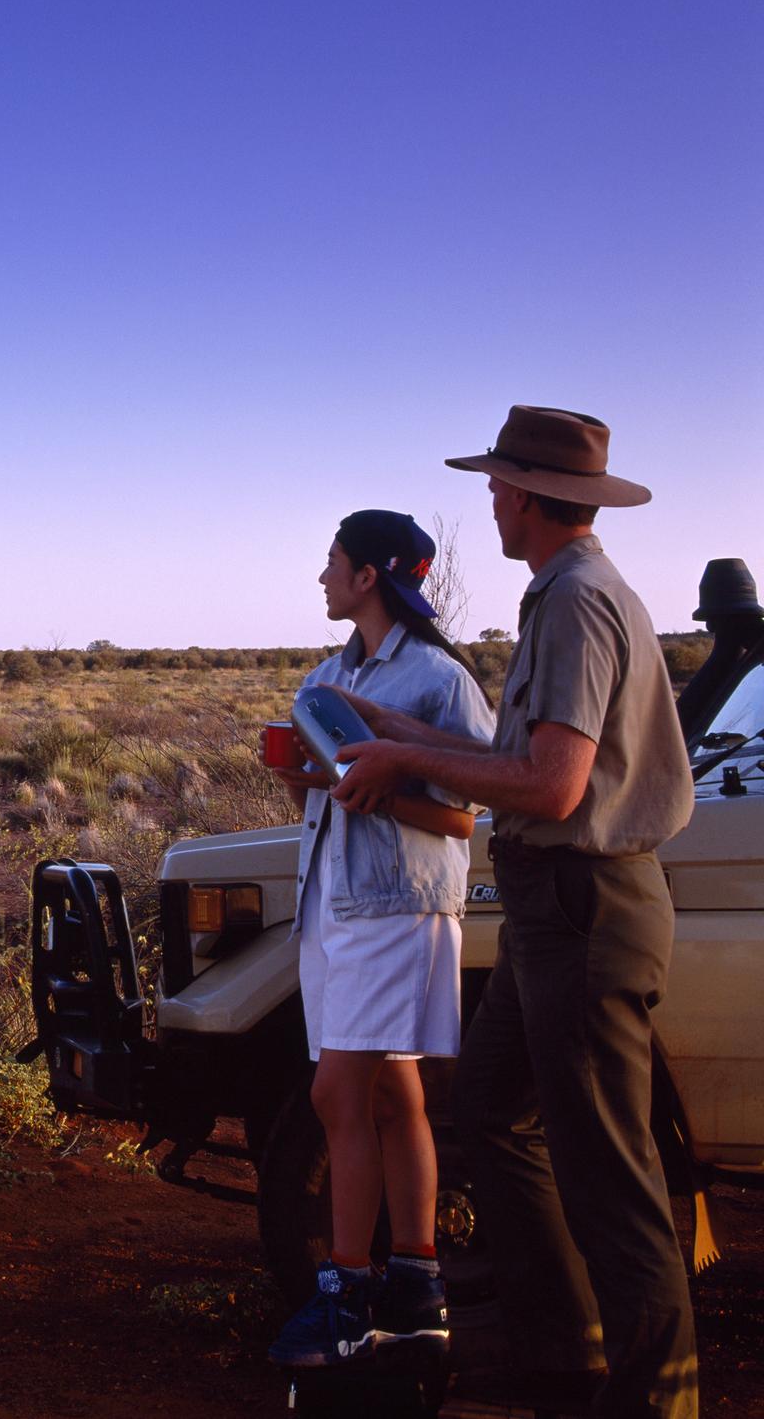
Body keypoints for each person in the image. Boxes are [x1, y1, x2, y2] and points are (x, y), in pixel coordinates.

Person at [331, 406, 697, 1419]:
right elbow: (518, 761)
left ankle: (654, 1400)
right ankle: (561, 1356)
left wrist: (406, 758)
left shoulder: (576, 600)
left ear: (529, 494)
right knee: (492, 1111)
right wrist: (388, 724)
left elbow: (550, 785)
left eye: (496, 483)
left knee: (610, 1184)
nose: (487, 497)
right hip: (554, 915)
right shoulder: (559, 592)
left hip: (582, 912)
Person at [266, 510, 495, 1370]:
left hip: (398, 909)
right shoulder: (329, 675)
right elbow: (325, 798)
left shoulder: (438, 680)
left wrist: (381, 794)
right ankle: (417, 1284)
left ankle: (348, 1295)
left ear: (369, 575)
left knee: (336, 1096)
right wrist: (304, 782)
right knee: (394, 1095)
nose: (323, 576)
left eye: (332, 562)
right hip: (334, 899)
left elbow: (465, 815)